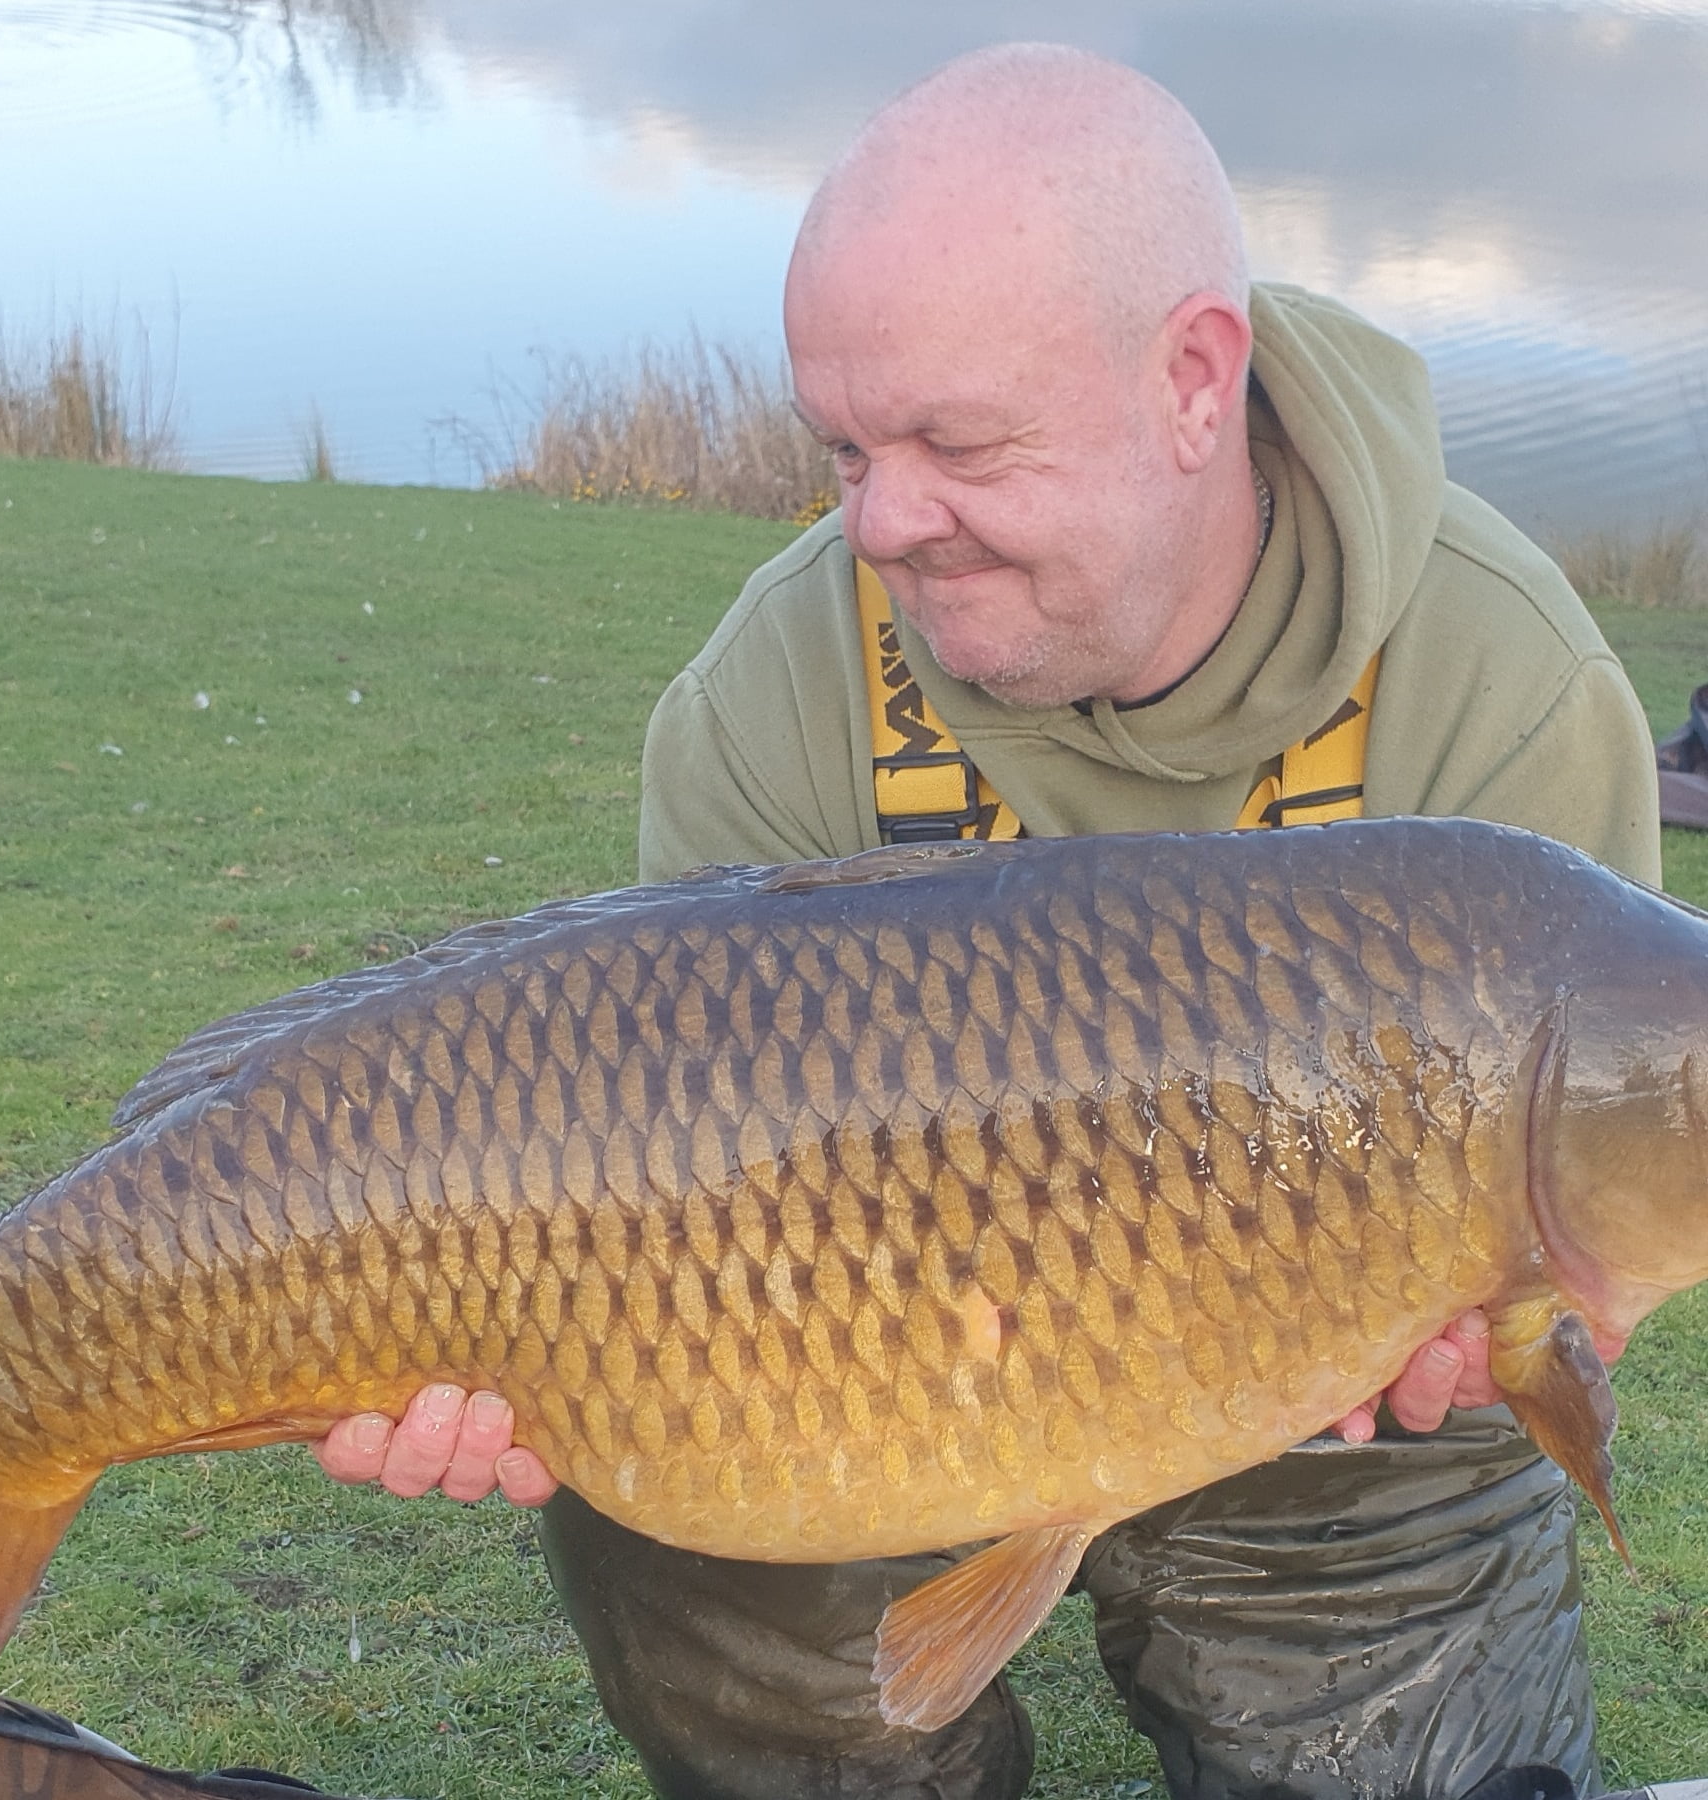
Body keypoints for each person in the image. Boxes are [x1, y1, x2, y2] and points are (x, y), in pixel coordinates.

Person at [315, 44, 1660, 1800]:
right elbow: (634, 1163)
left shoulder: (1510, 686)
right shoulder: (770, 694)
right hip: (861, 1361)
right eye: (845, 448)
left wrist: (1515, 1336)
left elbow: (1585, 1226)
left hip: (1343, 1425)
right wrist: (502, 1346)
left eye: (957, 442)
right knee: (662, 1507)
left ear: (1193, 379)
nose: (882, 522)